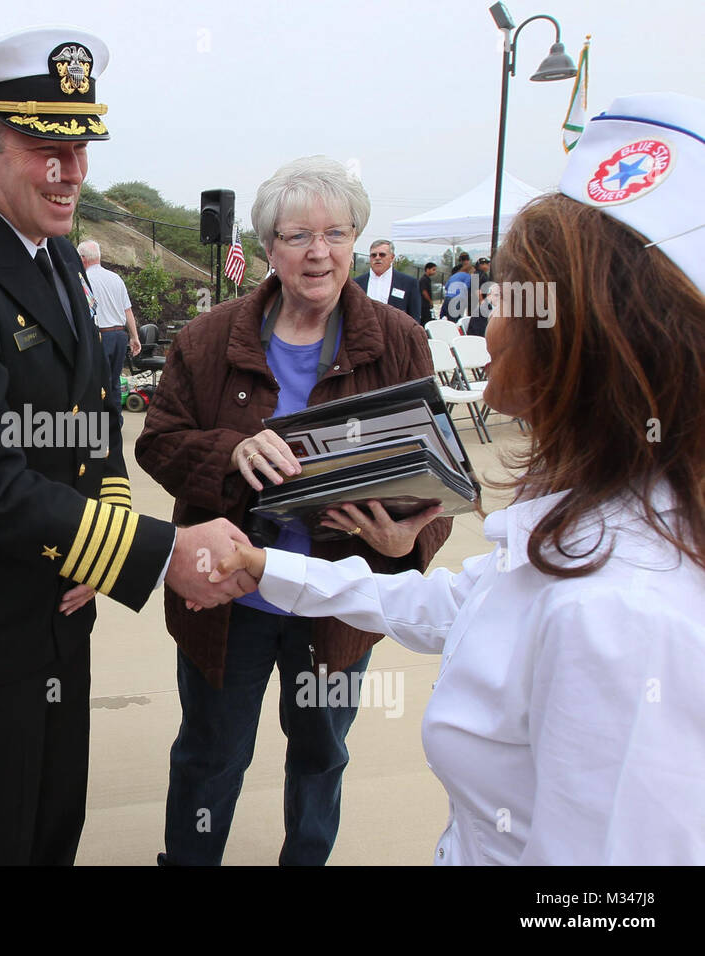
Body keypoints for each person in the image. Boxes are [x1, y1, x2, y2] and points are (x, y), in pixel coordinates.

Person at [210, 93, 705, 865]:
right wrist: (262, 565)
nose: (483, 323)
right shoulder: (590, 526)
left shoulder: (619, 613)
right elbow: (445, 605)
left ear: (576, 340)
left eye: (504, 297)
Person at [0, 27, 253, 866]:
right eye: (49, 150)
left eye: (80, 150)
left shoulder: (53, 257)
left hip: (64, 601)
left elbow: (91, 420)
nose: (72, 171)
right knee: (3, 842)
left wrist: (100, 535)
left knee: (55, 827)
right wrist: (154, 552)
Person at [136, 155, 453, 866]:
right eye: (298, 236)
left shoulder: (399, 340)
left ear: (356, 240)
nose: (319, 253)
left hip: (337, 599)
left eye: (336, 234)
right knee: (211, 753)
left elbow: (437, 476)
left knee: (320, 752)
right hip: (232, 596)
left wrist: (407, 542)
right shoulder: (208, 339)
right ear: (268, 248)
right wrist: (232, 453)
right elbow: (157, 445)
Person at [77, 239, 140, 414]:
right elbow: (127, 310)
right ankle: (115, 421)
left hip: (101, 336)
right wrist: (134, 337)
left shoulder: (84, 280)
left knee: (97, 382)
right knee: (114, 382)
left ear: (82, 258)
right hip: (120, 336)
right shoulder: (116, 278)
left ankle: (99, 421)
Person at [354, 239, 422, 322]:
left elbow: (415, 318)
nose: (377, 258)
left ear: (392, 257)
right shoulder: (357, 283)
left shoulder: (408, 283)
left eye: (382, 255)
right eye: (373, 255)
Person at [441, 253, 474, 319]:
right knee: (455, 321)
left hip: (447, 298)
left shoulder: (454, 275)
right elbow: (466, 287)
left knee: (444, 320)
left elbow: (446, 287)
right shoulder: (468, 276)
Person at [418, 261, 437, 325]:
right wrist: (430, 301)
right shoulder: (424, 279)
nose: (435, 272)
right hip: (424, 305)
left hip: (426, 305)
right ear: (427, 269)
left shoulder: (428, 279)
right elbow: (424, 291)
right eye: (433, 270)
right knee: (426, 321)